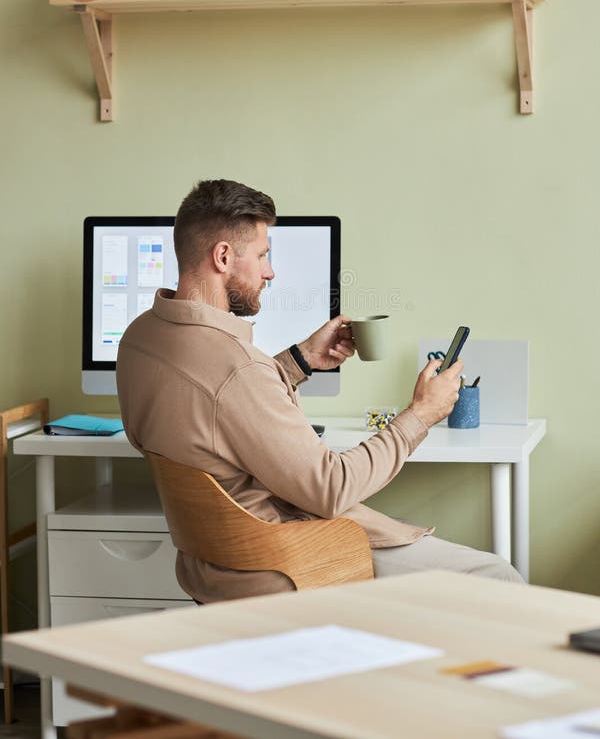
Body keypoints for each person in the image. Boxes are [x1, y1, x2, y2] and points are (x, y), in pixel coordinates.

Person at [117, 179, 522, 603]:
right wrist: (420, 414)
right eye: (262, 256)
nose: (270, 272)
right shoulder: (238, 368)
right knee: (497, 577)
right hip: (286, 561)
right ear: (222, 257)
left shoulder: (140, 339)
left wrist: (300, 360)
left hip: (212, 568)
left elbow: (212, 404)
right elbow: (331, 488)